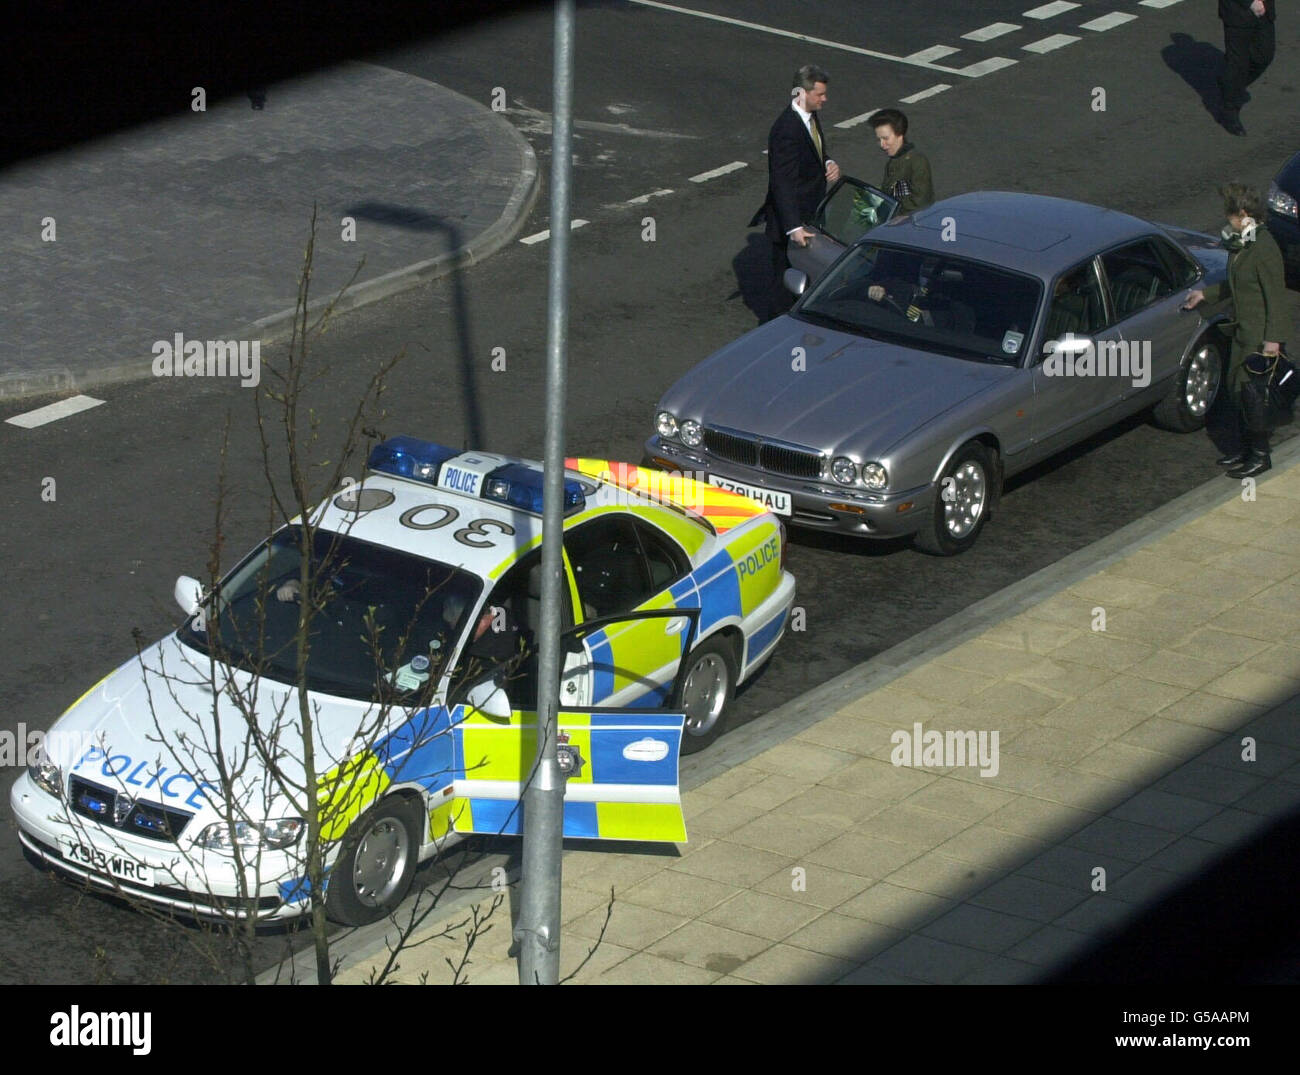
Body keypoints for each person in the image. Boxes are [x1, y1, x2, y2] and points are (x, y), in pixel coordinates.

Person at [1184, 182, 1292, 477]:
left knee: (1252, 395)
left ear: (1243, 214)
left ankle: (1260, 454)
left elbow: (1276, 298)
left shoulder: (1264, 248)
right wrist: (1205, 295)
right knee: (1237, 391)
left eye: (1229, 215)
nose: (1226, 220)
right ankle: (1246, 449)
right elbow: (1236, 284)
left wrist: (1273, 341)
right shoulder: (1242, 242)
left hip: (1259, 338)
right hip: (1243, 332)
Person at [750, 64, 841, 320]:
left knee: (803, 280)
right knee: (785, 282)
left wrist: (827, 162)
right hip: (794, 222)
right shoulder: (786, 131)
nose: (825, 99)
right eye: (820, 94)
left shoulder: (809, 118)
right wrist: (793, 227)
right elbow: (783, 182)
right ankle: (773, 328)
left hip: (808, 215)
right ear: (802, 93)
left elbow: (814, 151)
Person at [1217, 0, 1277, 135]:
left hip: (1264, 9)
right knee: (1237, 63)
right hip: (1237, 12)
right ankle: (1229, 109)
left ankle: (1229, 84)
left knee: (1264, 56)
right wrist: (1250, 2)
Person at [869, 109, 934, 214]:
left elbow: (921, 202)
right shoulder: (894, 161)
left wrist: (893, 210)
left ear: (900, 135)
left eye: (886, 138)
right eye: (879, 139)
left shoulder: (917, 162)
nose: (882, 144)